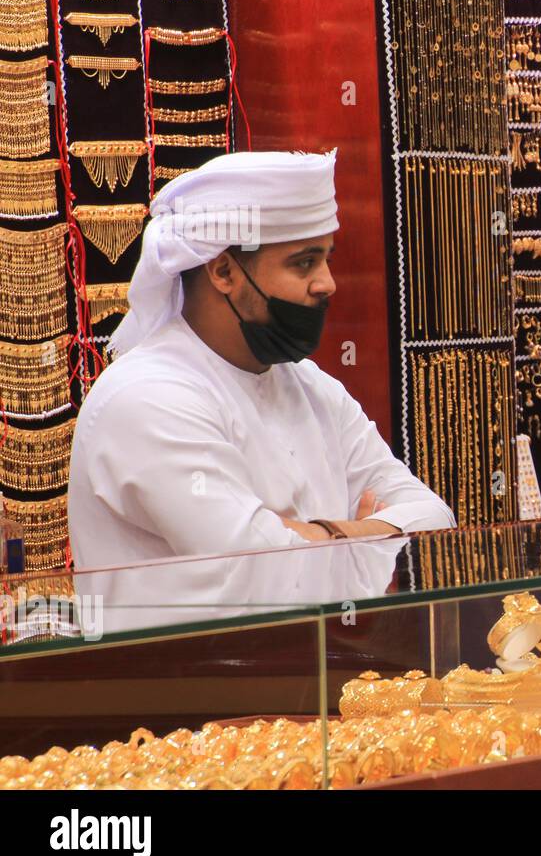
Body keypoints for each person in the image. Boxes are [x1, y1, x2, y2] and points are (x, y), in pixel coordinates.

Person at [68, 150, 455, 577]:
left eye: (326, 260)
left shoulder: (312, 386)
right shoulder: (147, 397)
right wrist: (365, 537)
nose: (327, 283)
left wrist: (324, 536)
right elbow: (264, 569)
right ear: (224, 272)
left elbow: (435, 522)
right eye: (304, 263)